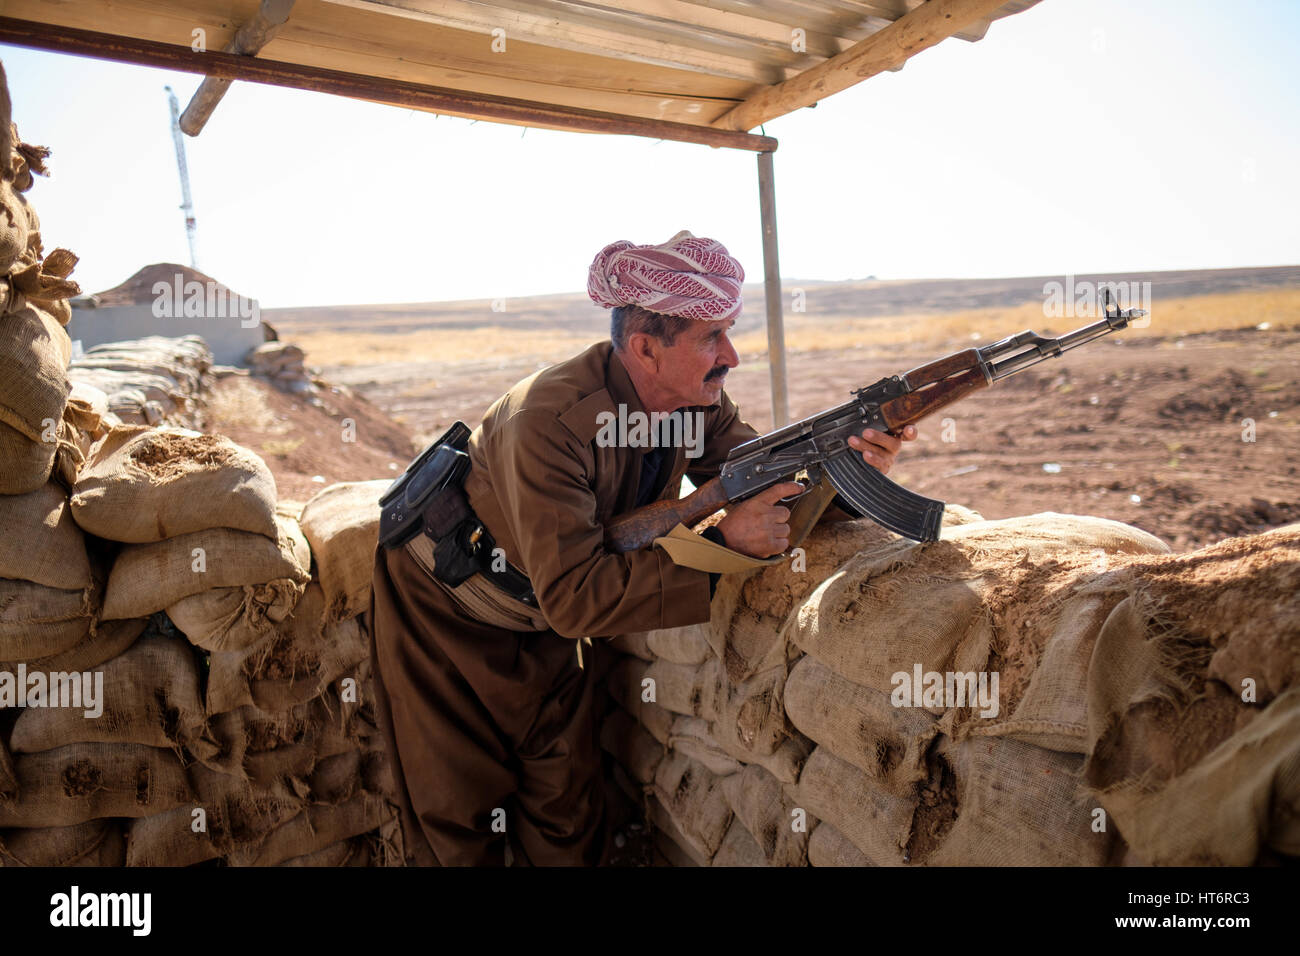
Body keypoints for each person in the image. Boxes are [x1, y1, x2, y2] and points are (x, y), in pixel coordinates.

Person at [367, 230, 916, 866]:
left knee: (566, 806)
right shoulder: (547, 421)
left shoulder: (696, 399)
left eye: (729, 331)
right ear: (646, 348)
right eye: (712, 336)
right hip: (447, 605)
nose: (731, 356)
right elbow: (577, 601)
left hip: (544, 605)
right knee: (457, 814)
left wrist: (855, 461)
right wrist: (722, 548)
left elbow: (767, 477)